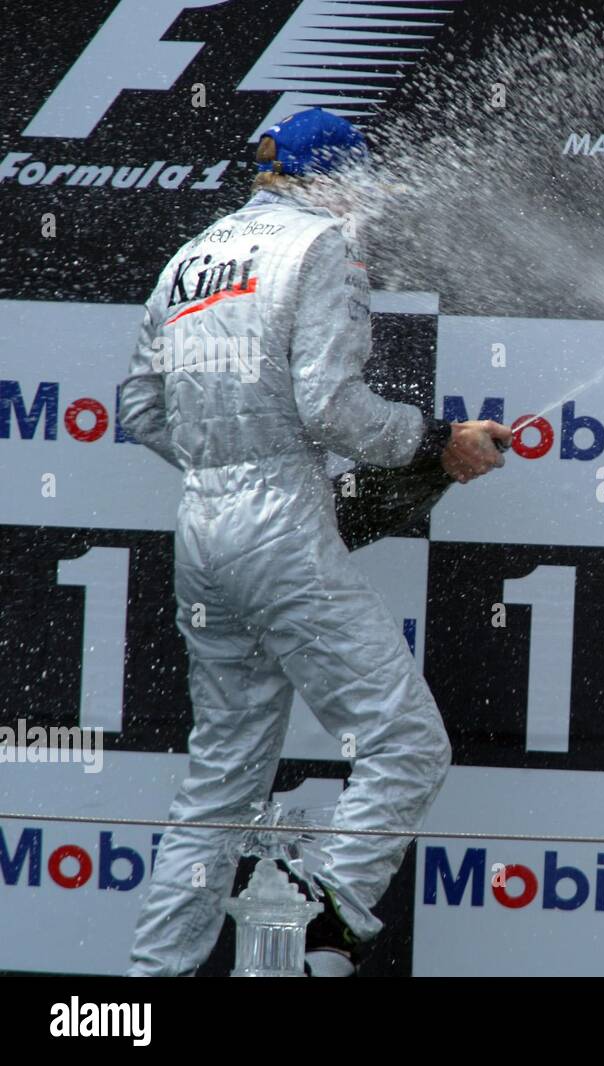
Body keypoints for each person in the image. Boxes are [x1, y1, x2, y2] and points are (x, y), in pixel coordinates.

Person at [119, 108, 510, 976]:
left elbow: (137, 412)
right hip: (280, 528)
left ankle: (148, 990)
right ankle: (312, 946)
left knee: (219, 784)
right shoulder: (323, 243)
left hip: (202, 532)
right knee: (405, 742)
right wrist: (436, 441)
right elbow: (328, 408)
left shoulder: (189, 257)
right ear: (333, 180)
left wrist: (228, 459)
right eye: (360, 188)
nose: (364, 207)